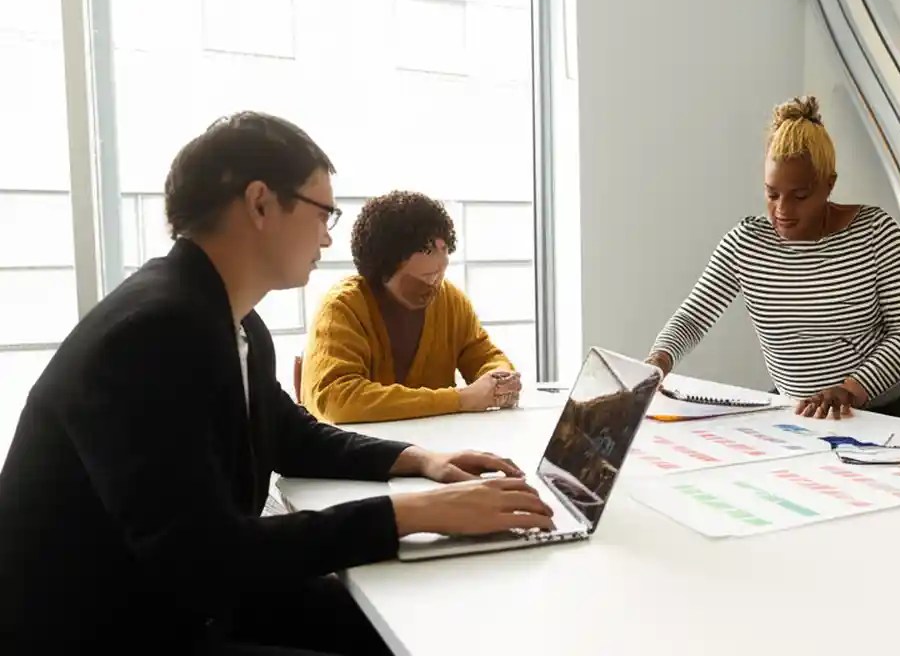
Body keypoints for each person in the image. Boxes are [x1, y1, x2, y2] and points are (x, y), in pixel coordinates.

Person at [0, 113, 554, 654]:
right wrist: (415, 514)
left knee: (404, 627)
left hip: (174, 599)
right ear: (260, 203)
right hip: (111, 628)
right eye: (323, 214)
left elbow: (293, 436)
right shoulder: (155, 332)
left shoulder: (229, 320)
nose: (328, 240)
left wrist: (423, 461)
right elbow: (203, 558)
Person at [646, 96, 900, 420]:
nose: (782, 211)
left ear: (829, 184)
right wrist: (658, 363)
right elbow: (693, 318)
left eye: (800, 196)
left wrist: (852, 389)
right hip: (799, 413)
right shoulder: (746, 243)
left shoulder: (875, 233)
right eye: (772, 194)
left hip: (883, 412)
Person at [301, 191, 521, 423]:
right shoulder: (342, 308)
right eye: (424, 277)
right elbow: (337, 400)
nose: (433, 285)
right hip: (359, 453)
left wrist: (499, 380)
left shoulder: (450, 300)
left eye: (440, 273)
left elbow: (483, 354)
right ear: (383, 271)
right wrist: (461, 399)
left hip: (435, 449)